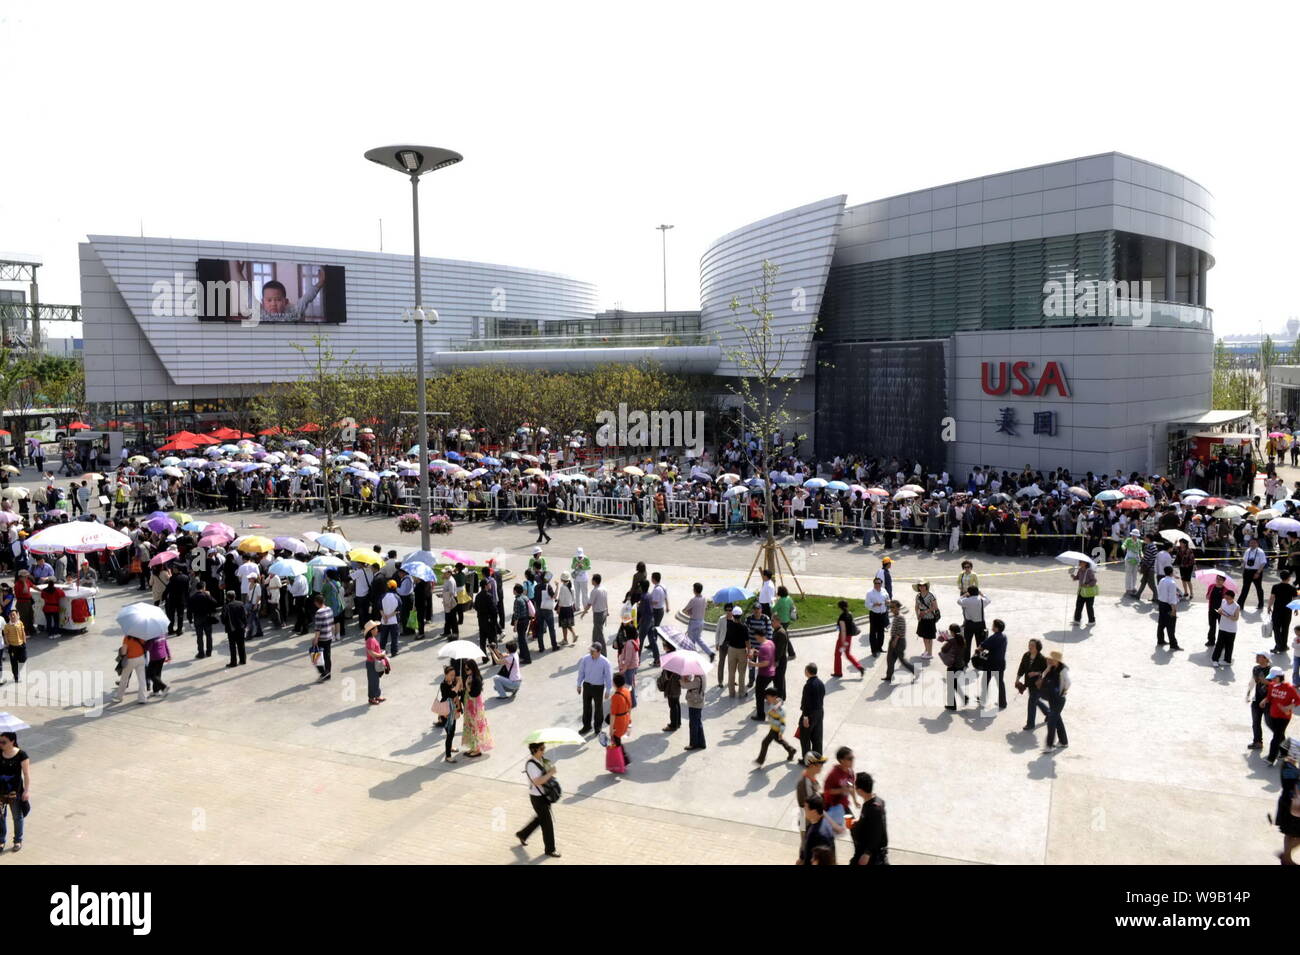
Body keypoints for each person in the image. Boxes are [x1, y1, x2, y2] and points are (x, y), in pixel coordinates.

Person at [515, 742, 561, 858]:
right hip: (537, 797)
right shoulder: (531, 764)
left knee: (540, 819)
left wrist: (550, 771)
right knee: (547, 823)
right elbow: (537, 782)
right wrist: (550, 773)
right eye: (541, 748)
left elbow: (546, 776)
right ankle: (550, 849)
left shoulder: (541, 760)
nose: (544, 750)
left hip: (543, 796)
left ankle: (523, 834)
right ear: (535, 750)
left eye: (544, 748)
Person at [1262, 667, 1300, 765]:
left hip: (1284, 717)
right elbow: (1270, 697)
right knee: (1279, 735)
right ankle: (1285, 752)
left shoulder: (1289, 688)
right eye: (1272, 678)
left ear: (1280, 677)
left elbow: (1298, 700)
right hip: (1273, 715)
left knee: (1275, 738)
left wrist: (1288, 707)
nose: (1272, 680)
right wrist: (1265, 700)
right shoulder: (1271, 685)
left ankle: (1271, 759)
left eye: (1274, 678)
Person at [0, 731, 30, 853]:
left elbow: (27, 774)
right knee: (0, 817)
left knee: (17, 817)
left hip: (15, 792)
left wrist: (26, 791)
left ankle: (17, 840)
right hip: (0, 792)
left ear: (12, 742)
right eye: (0, 741)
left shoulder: (21, 755)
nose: (0, 744)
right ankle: (1, 841)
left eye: (3, 742)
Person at [850, 772, 888, 865]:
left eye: (856, 787)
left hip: (872, 856)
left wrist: (867, 854)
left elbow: (877, 832)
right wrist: (858, 822)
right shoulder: (871, 802)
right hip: (863, 851)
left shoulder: (874, 808)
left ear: (860, 790)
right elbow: (871, 823)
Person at [1037, 650, 1070, 750]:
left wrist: (1063, 691)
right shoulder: (1051, 668)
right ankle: (1063, 742)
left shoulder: (1062, 670)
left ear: (1057, 660)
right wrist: (1048, 667)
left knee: (1051, 721)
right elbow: (1043, 676)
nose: (1050, 660)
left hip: (1059, 699)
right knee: (1057, 720)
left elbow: (1068, 682)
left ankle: (1049, 745)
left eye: (1052, 659)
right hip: (1052, 698)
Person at [754, 686, 797, 764]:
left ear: (774, 697)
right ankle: (791, 750)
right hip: (773, 727)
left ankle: (760, 760)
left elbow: (783, 722)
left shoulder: (780, 710)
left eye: (768, 697)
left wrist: (781, 732)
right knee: (779, 741)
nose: (767, 699)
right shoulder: (774, 703)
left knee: (765, 743)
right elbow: (780, 701)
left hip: (776, 729)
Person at [576, 642, 612, 735]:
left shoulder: (605, 662)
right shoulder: (585, 659)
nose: (591, 652)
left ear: (599, 652)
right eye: (591, 650)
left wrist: (608, 690)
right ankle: (587, 726)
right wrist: (579, 684)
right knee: (586, 707)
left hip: (598, 688)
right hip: (587, 686)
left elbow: (608, 677)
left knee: (598, 708)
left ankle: (598, 727)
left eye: (593, 651)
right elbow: (581, 672)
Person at [460, 659, 493, 758]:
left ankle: (477, 749)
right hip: (469, 707)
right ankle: (473, 747)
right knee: (470, 726)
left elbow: (475, 693)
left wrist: (468, 687)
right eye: (465, 669)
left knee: (475, 727)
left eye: (467, 669)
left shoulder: (477, 679)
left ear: (472, 668)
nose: (466, 671)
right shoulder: (470, 677)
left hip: (475, 708)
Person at [822, 746, 859, 834]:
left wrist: (855, 801)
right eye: (849, 758)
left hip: (844, 806)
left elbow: (851, 787)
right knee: (830, 832)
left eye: (852, 758)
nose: (852, 760)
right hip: (831, 807)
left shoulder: (850, 773)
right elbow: (827, 791)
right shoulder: (833, 774)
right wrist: (842, 790)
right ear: (841, 760)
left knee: (852, 826)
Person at [976, 618, 1008, 710]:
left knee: (985, 681)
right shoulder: (1004, 636)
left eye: (993, 626)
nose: (992, 627)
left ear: (997, 628)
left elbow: (981, 647)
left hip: (991, 664)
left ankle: (983, 699)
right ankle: (1003, 703)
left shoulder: (994, 637)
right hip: (1001, 663)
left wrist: (978, 649)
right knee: (1000, 683)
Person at [1016, 638, 1048, 730]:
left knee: (1031, 702)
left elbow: (1046, 672)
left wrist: (1036, 673)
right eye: (1029, 645)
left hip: (1038, 685)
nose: (1030, 647)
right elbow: (1021, 668)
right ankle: (1049, 713)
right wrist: (1017, 679)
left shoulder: (1042, 659)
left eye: (1032, 645)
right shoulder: (1026, 655)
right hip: (1029, 683)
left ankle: (1030, 724)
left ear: (1037, 647)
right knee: (1035, 701)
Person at [748, 625, 778, 719]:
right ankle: (771, 699)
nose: (755, 637)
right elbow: (768, 655)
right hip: (772, 673)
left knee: (759, 695)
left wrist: (753, 664)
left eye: (755, 635)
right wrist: (757, 652)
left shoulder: (764, 647)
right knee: (762, 691)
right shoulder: (770, 642)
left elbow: (766, 662)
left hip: (764, 674)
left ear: (758, 635)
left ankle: (761, 715)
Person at [884, 599, 917, 683]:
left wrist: (895, 641)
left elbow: (901, 630)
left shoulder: (900, 617)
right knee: (890, 659)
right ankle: (889, 676)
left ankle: (916, 671)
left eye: (892, 607)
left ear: (898, 608)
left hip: (898, 641)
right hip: (894, 640)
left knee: (902, 660)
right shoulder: (896, 616)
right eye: (890, 607)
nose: (891, 609)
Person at [112, 633, 150, 704]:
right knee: (142, 679)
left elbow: (124, 652)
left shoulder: (127, 638)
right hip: (141, 658)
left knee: (124, 679)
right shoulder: (141, 636)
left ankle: (119, 697)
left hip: (130, 660)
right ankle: (143, 698)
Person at [797, 794, 836, 865]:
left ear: (814, 811)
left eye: (805, 809)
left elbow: (824, 859)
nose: (804, 811)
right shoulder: (821, 824)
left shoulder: (818, 834)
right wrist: (802, 857)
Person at [435, 664, 462, 762]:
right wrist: (457, 685)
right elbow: (451, 694)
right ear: (445, 675)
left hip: (452, 710)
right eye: (450, 675)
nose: (452, 677)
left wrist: (458, 684)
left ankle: (449, 747)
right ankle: (448, 755)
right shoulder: (443, 684)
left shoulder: (452, 682)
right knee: (450, 732)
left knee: (451, 732)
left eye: (454, 675)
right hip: (446, 711)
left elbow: (458, 693)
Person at [832, 599, 864, 678]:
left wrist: (842, 642)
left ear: (839, 607)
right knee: (848, 654)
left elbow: (843, 630)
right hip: (849, 638)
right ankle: (859, 666)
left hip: (843, 639)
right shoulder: (850, 614)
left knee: (837, 654)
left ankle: (838, 672)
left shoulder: (842, 617)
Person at [798, 662, 825, 757]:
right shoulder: (821, 683)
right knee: (817, 737)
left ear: (808, 672)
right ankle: (817, 758)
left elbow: (806, 702)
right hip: (819, 712)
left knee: (805, 738)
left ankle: (807, 759)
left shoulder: (808, 685)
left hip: (810, 714)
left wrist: (805, 717)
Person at [1267, 570, 1297, 654]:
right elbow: (1295, 600)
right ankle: (1283, 646)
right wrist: (1296, 609)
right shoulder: (1292, 588)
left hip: (1277, 611)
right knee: (1285, 629)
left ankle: (1278, 645)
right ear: (1289, 578)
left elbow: (1272, 597)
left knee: (1276, 629)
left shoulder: (1275, 587)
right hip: (1287, 612)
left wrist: (1269, 606)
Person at [608, 672, 633, 771]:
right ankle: (623, 761)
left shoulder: (615, 697)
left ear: (614, 684)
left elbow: (613, 715)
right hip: (626, 717)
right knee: (618, 741)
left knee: (616, 742)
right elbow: (630, 706)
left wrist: (611, 730)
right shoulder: (626, 691)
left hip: (619, 722)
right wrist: (629, 720)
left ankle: (623, 761)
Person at [723, 606, 749, 697]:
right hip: (742, 651)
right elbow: (747, 641)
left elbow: (728, 618)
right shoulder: (744, 627)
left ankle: (731, 693)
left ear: (733, 615)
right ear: (741, 615)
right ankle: (741, 693)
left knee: (731, 672)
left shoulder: (729, 624)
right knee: (742, 673)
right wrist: (749, 651)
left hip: (731, 650)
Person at [1155, 566, 1183, 651]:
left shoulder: (1162, 580)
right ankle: (1173, 644)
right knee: (1171, 626)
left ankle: (1160, 640)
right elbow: (1172, 599)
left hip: (1161, 604)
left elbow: (1160, 591)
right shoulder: (1172, 583)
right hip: (1168, 605)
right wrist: (1174, 610)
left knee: (1161, 624)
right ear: (1171, 573)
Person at [1211, 589, 1240, 668]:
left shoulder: (1236, 606)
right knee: (1219, 644)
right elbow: (1221, 608)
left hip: (1231, 629)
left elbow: (1236, 618)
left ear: (1232, 598)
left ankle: (1227, 660)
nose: (1226, 599)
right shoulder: (1223, 601)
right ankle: (1215, 659)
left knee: (1229, 645)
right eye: (1225, 597)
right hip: (1223, 627)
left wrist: (1226, 615)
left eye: (1228, 598)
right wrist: (1220, 611)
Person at [1249, 651, 1272, 750]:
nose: (1257, 657)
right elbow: (1255, 680)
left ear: (1266, 659)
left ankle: (1280, 744)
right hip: (1257, 699)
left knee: (1272, 724)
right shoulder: (1256, 668)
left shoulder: (1272, 670)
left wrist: (1265, 681)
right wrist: (1248, 693)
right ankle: (1257, 742)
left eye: (1259, 656)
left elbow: (1276, 684)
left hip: (1269, 701)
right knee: (1255, 722)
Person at [220, 590, 247, 668]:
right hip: (240, 627)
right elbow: (244, 616)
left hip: (231, 629)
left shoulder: (226, 606)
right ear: (235, 596)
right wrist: (245, 625)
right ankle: (243, 660)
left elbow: (223, 618)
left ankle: (233, 662)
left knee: (232, 646)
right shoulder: (240, 604)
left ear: (227, 597)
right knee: (241, 644)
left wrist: (226, 624)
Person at [913, 579, 940, 659]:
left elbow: (935, 607)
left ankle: (929, 653)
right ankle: (928, 651)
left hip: (930, 618)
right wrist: (917, 615)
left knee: (928, 637)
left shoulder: (931, 595)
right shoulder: (918, 596)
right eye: (920, 586)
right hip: (922, 618)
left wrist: (925, 612)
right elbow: (916, 606)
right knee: (926, 637)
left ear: (926, 586)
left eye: (923, 585)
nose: (922, 587)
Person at [364, 621, 389, 705]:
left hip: (374, 662)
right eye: (376, 628)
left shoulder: (372, 639)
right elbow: (371, 653)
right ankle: (371, 698)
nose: (377, 630)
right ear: (371, 630)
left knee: (376, 680)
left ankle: (377, 695)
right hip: (372, 663)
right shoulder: (370, 640)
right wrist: (381, 654)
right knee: (372, 681)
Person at [311, 593, 334, 682]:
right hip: (329, 636)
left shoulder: (318, 613)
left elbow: (318, 629)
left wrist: (315, 639)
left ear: (317, 603)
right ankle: (328, 673)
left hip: (322, 638)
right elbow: (332, 623)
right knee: (327, 656)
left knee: (316, 657)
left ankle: (323, 673)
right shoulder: (329, 609)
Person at [1242, 537, 1268, 611]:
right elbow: (1244, 561)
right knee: (1245, 589)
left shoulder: (1260, 552)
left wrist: (1258, 572)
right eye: (1251, 542)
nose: (1252, 544)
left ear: (1257, 543)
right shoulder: (1247, 550)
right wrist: (1243, 570)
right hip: (1247, 571)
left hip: (1256, 571)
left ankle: (1261, 604)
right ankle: (1240, 604)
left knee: (1259, 588)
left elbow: (1263, 563)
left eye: (1254, 543)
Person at [582, 572, 608, 647]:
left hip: (598, 614)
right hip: (604, 612)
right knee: (595, 631)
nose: (591, 581)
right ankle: (594, 646)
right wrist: (607, 611)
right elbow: (606, 601)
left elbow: (590, 603)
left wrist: (584, 612)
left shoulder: (595, 591)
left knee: (599, 633)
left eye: (592, 580)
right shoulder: (604, 589)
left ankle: (603, 651)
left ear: (594, 581)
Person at [682, 669, 706, 751]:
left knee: (693, 724)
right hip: (699, 703)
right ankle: (702, 743)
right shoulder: (702, 676)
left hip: (695, 704)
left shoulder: (697, 679)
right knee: (698, 722)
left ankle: (693, 744)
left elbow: (686, 686)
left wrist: (682, 679)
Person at [865, 576, 889, 656]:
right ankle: (874, 650)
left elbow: (888, 599)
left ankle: (879, 647)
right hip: (874, 615)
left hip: (883, 614)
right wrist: (874, 604)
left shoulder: (884, 590)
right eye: (876, 583)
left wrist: (888, 602)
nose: (877, 585)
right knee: (873, 633)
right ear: (874, 584)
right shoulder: (869, 593)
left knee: (881, 632)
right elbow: (867, 605)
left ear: (881, 583)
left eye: (879, 583)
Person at [1070, 559, 1098, 626]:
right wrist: (1073, 576)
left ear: (1085, 563)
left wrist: (1087, 585)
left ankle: (1092, 621)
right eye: (1079, 562)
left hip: (1089, 593)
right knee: (1078, 606)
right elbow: (1077, 578)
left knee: (1089, 607)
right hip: (1081, 591)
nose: (1079, 563)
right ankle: (1077, 620)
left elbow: (1094, 581)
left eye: (1081, 562)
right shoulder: (1080, 570)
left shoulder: (1089, 571)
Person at [2, 610, 26, 683]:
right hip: (12, 647)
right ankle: (16, 676)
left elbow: (23, 632)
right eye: (11, 615)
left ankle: (18, 672)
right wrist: (7, 644)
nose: (12, 616)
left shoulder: (20, 623)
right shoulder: (7, 626)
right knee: (14, 662)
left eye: (14, 614)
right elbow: (5, 635)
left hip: (21, 645)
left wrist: (24, 641)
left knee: (23, 659)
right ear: (9, 616)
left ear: (17, 615)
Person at [379, 580, 401, 656]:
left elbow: (380, 608)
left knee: (383, 637)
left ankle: (381, 651)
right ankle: (394, 652)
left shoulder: (382, 596)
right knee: (394, 637)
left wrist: (384, 617)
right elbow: (398, 610)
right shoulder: (397, 597)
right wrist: (389, 616)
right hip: (394, 621)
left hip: (384, 621)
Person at [145, 632, 170, 696]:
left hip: (155, 657)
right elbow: (166, 645)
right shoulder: (162, 634)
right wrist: (169, 655)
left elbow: (148, 648)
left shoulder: (152, 636)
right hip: (163, 656)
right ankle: (156, 691)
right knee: (157, 674)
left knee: (150, 674)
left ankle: (163, 687)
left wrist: (146, 642)